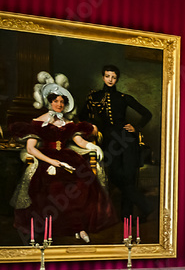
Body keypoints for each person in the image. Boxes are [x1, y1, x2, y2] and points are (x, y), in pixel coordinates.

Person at [10, 86, 116, 242]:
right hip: (47, 158)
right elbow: (31, 148)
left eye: (61, 102)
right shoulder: (38, 122)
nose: (59, 104)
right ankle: (73, 228)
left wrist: (93, 146)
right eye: (55, 101)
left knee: (83, 184)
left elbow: (79, 141)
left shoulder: (68, 123)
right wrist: (52, 162)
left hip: (68, 157)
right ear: (50, 102)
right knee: (56, 188)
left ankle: (79, 228)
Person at [80, 64, 153, 220]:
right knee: (115, 176)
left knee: (128, 177)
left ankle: (127, 218)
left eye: (113, 77)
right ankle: (145, 206)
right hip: (109, 142)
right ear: (103, 77)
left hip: (127, 140)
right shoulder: (94, 97)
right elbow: (82, 116)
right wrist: (92, 128)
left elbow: (147, 114)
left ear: (117, 79)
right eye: (107, 76)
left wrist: (136, 127)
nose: (110, 80)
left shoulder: (123, 97)